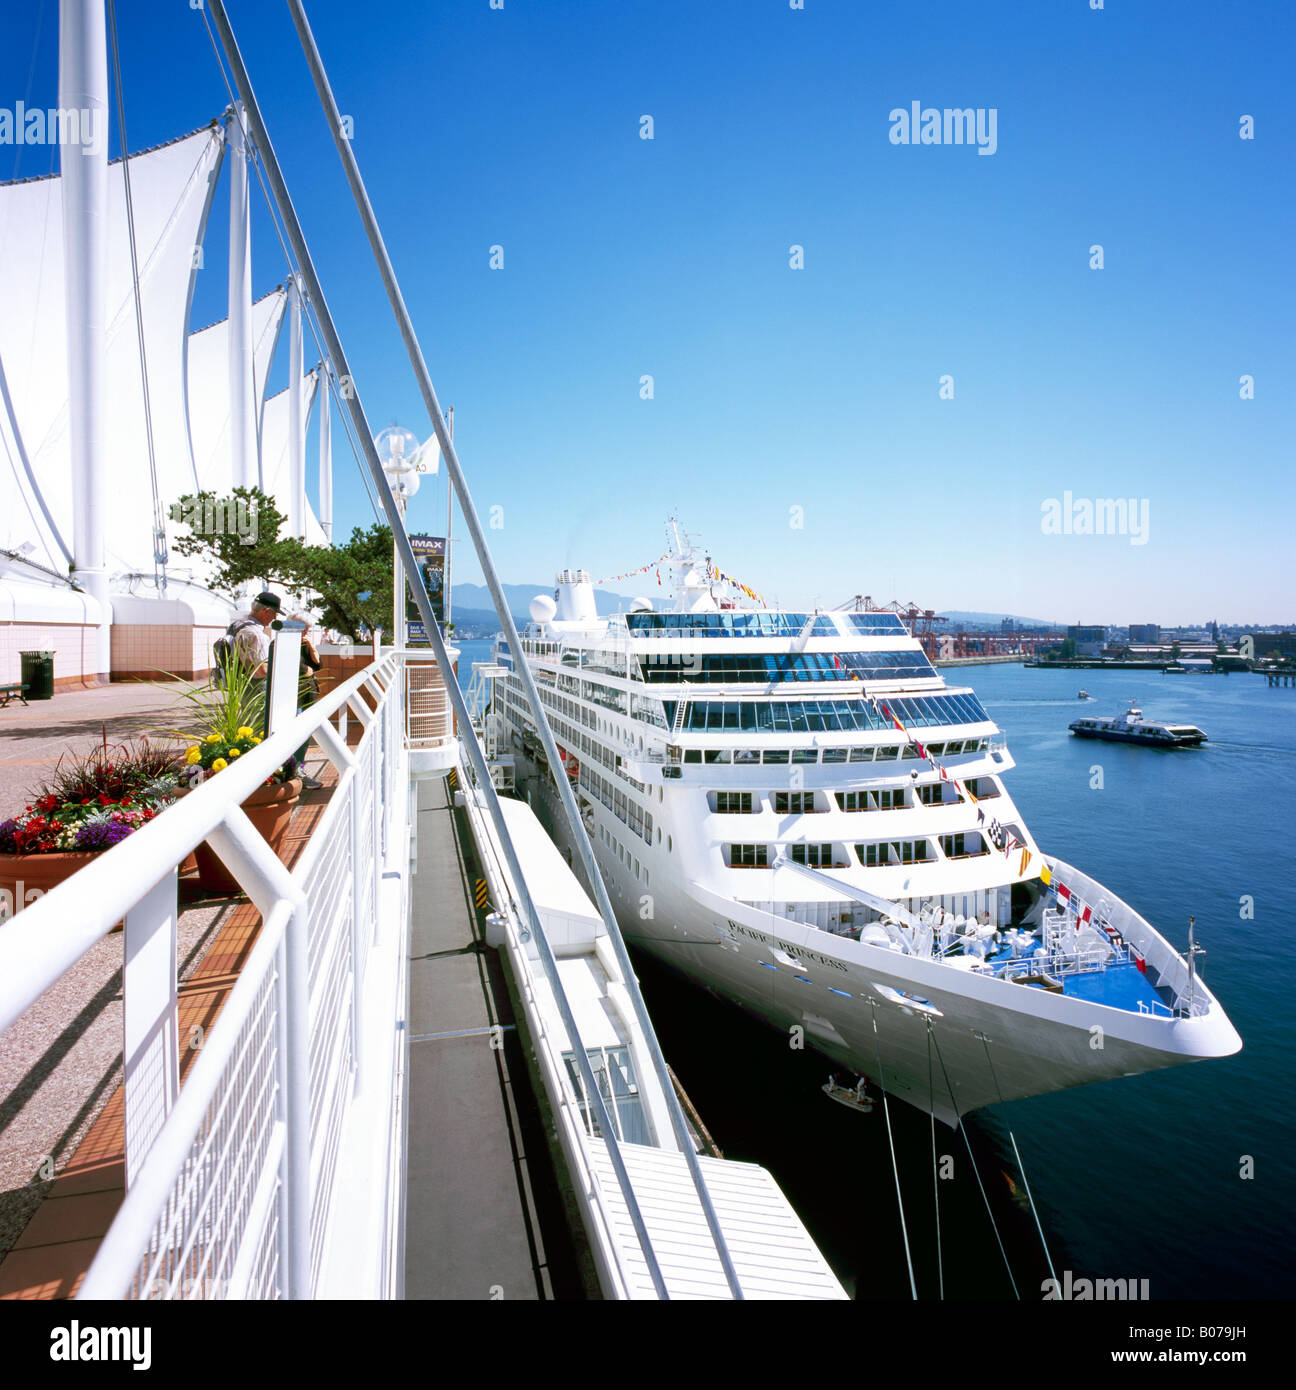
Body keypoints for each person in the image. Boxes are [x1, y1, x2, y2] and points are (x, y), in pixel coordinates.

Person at [293, 616, 324, 790]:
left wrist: (311, 646)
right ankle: (297, 771)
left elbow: (318, 664)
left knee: (305, 734)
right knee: (299, 734)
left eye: (307, 630)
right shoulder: (283, 644)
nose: (305, 633)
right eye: (302, 629)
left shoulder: (304, 645)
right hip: (296, 696)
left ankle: (299, 769)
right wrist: (307, 670)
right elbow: (302, 668)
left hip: (307, 696)